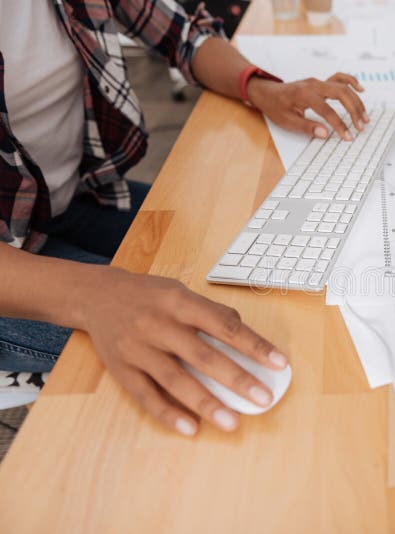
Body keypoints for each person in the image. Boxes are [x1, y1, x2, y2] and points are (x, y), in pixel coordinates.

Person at [0, 0, 367, 437]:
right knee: (188, 349)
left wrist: (260, 88)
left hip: (68, 200)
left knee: (251, 260)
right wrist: (93, 295)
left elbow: (182, 33)